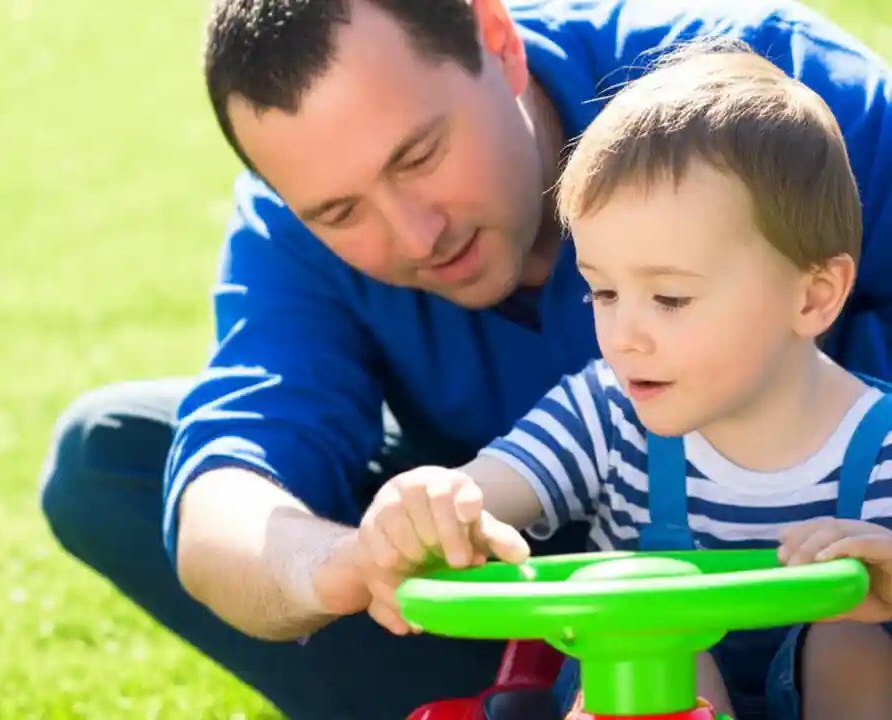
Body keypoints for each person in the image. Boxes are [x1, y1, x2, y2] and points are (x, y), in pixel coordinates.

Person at [39, 0, 892, 716]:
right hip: (544, 581)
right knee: (112, 452)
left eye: (420, 156)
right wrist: (357, 562)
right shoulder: (292, 226)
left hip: (846, 581)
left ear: (498, 40)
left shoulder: (772, 99)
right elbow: (230, 489)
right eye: (339, 212)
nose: (417, 234)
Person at [356, 43, 892, 720]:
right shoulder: (606, 412)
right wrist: (433, 504)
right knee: (663, 636)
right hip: (635, 691)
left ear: (813, 297)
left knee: (852, 643)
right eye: (602, 294)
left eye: (669, 299)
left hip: (830, 691)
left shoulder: (881, 447)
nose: (623, 335)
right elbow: (488, 490)